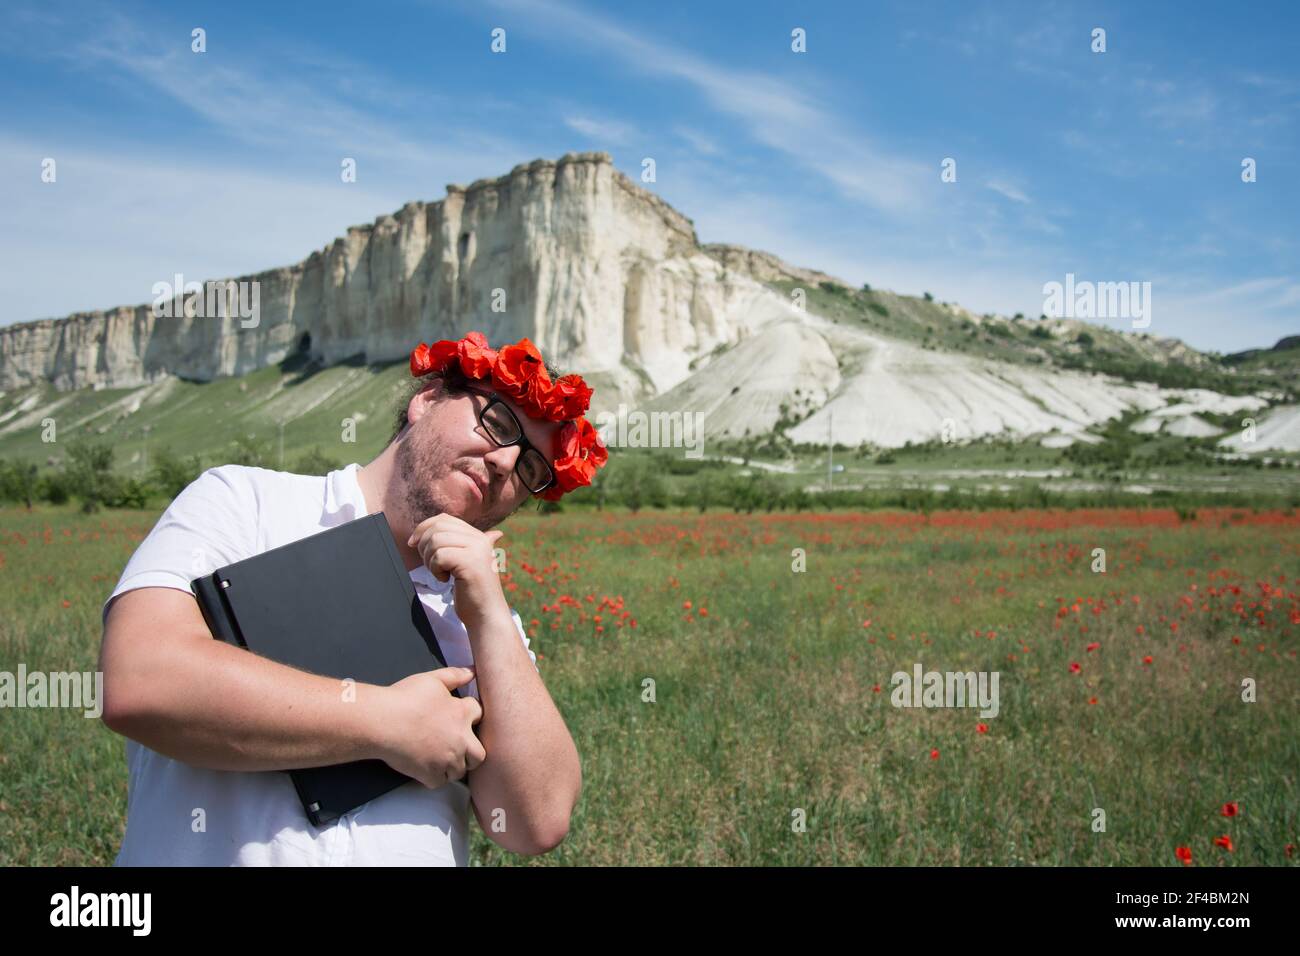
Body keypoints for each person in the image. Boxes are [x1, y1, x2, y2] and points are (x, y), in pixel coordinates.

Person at [97, 331, 608, 865]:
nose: (505, 462)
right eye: (498, 422)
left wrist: (490, 615)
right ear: (426, 399)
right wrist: (387, 723)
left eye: (531, 469)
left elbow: (537, 822)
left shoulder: (483, 617)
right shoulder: (244, 502)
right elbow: (140, 679)